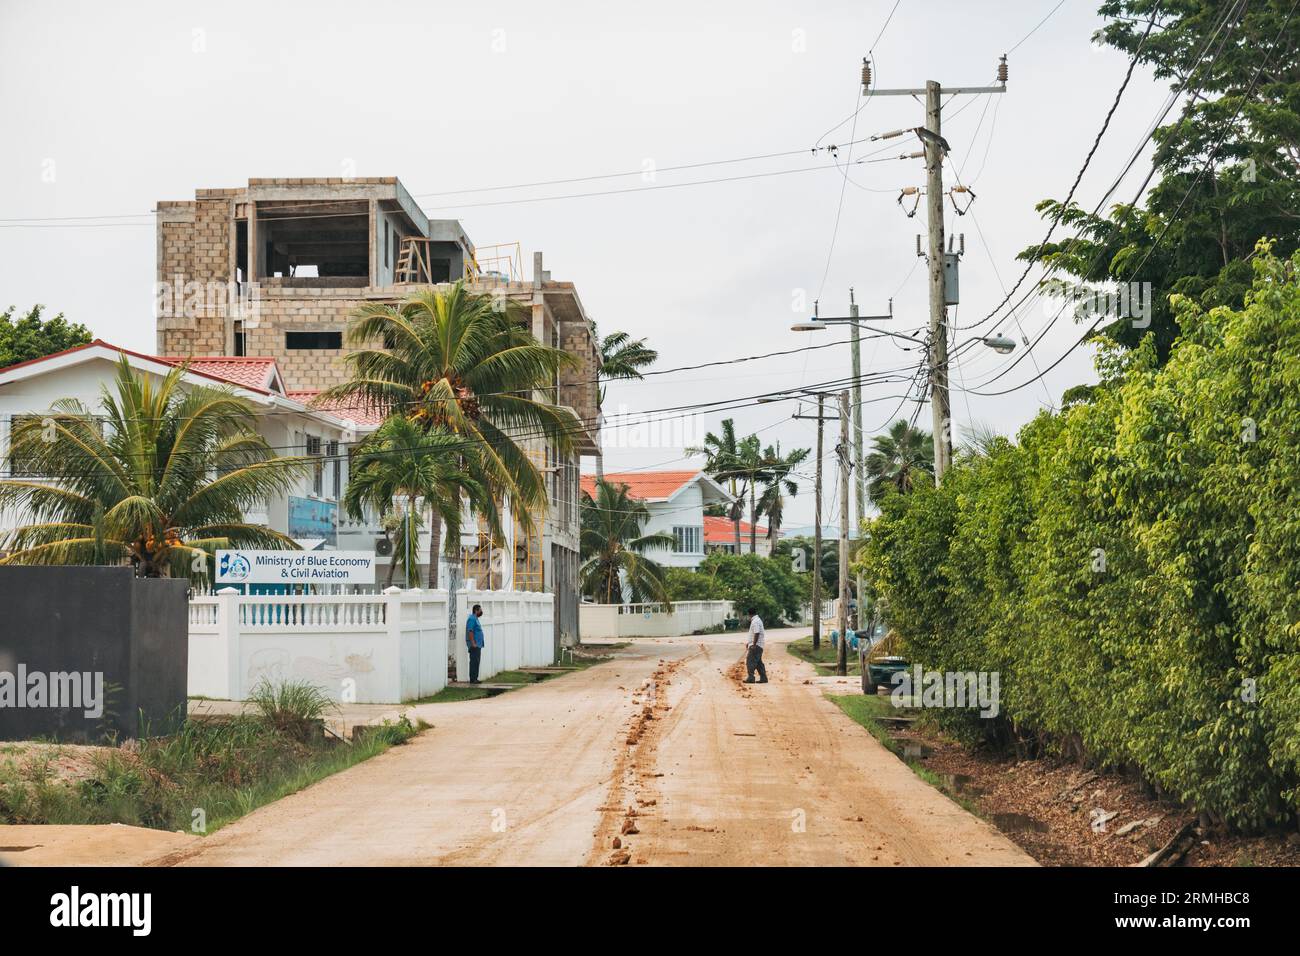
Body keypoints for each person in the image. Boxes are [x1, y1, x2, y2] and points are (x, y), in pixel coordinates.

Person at [744, 606, 767, 684]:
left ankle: (751, 678)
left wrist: (753, 644)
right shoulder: (757, 620)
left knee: (750, 661)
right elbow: (754, 633)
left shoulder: (755, 621)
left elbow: (757, 633)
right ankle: (764, 678)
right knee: (758, 663)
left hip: (756, 646)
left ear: (749, 614)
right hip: (758, 645)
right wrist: (749, 642)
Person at [466, 604, 485, 684]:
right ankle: (472, 679)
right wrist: (473, 643)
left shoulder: (476, 619)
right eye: (480, 610)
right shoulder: (472, 619)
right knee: (474, 661)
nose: (481, 612)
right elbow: (470, 631)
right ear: (476, 610)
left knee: (477, 661)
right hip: (474, 645)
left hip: (478, 644)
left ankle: (475, 678)